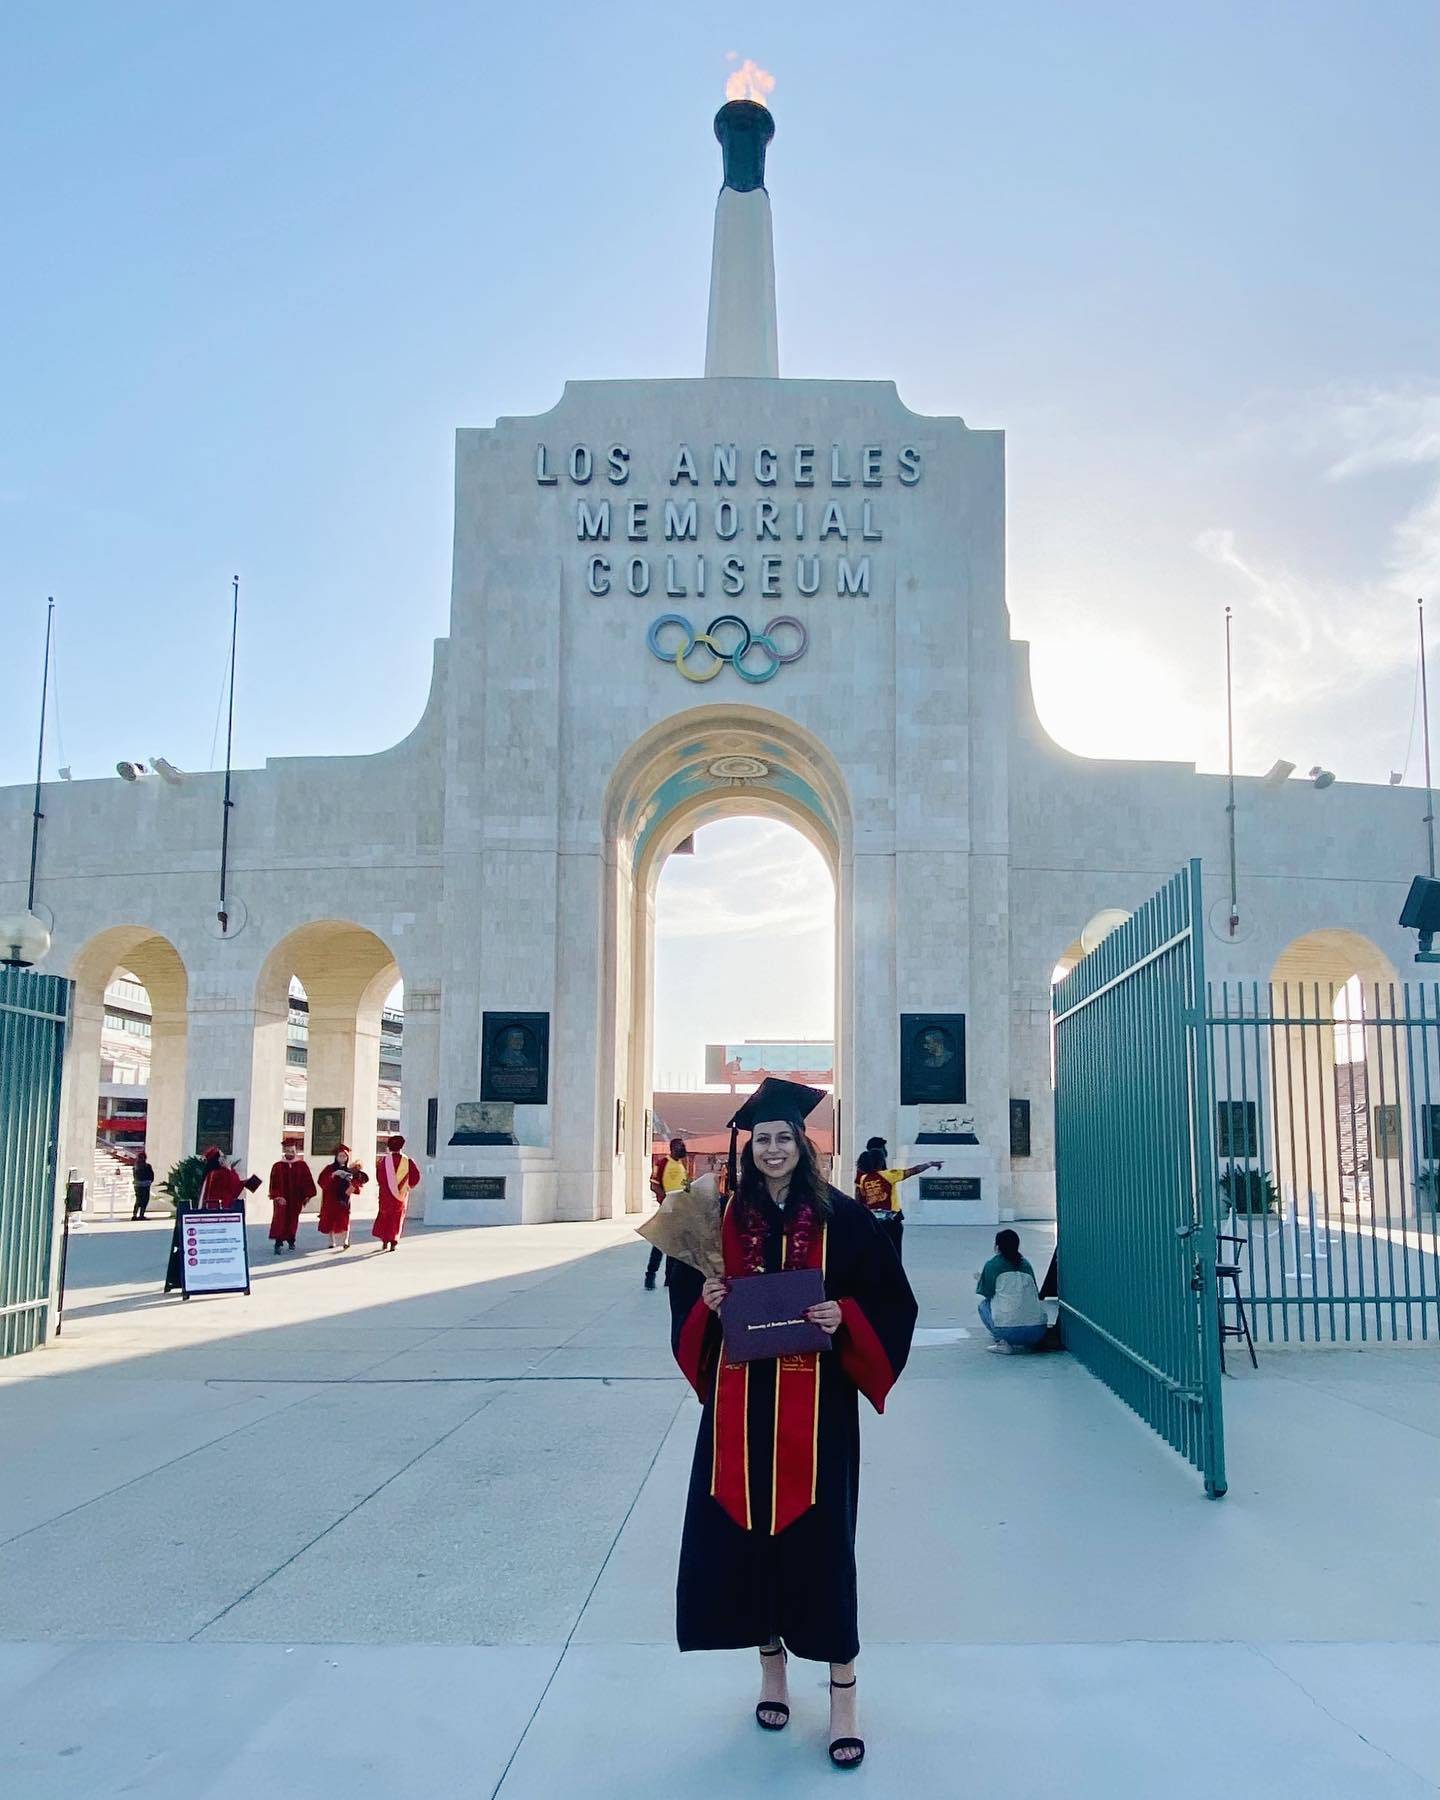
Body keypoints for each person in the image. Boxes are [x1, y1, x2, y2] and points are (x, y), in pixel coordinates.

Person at [668, 1078, 917, 1772]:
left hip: (818, 1413)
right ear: (750, 1150)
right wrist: (707, 1303)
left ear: (802, 1144)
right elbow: (686, 1299)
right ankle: (772, 1672)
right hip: (739, 1407)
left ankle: (843, 1697)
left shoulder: (843, 1216)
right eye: (763, 1140)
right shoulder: (717, 1216)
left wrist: (847, 1319)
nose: (773, 1149)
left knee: (822, 1543)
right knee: (747, 1539)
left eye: (784, 1138)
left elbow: (889, 1300)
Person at [853, 1148, 944, 1265]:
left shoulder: (863, 1179)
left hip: (874, 1222)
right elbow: (913, 1171)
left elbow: (860, 1200)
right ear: (880, 1162)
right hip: (891, 1221)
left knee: (878, 1254)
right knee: (895, 1254)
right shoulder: (889, 1175)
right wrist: (930, 1164)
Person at [976, 1228, 1048, 1353]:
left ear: (997, 1247)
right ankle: (1030, 1342)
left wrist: (980, 1279)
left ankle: (1002, 1342)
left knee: (983, 1306)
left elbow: (986, 1292)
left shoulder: (992, 1265)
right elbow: (1034, 1292)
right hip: (1038, 1330)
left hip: (1007, 1330)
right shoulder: (1026, 1264)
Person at [645, 1136, 689, 1290]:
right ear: (672, 1148)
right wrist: (665, 1200)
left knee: (674, 1245)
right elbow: (654, 1185)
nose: (682, 1149)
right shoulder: (663, 1163)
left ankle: (669, 1278)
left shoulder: (681, 1164)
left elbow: (685, 1184)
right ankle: (650, 1275)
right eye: (679, 1147)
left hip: (679, 1210)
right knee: (660, 1244)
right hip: (667, 1209)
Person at [267, 1141, 317, 1254]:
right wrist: (277, 1196)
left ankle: (291, 1241)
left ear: (296, 1151)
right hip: (282, 1199)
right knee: (279, 1220)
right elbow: (273, 1183)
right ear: (284, 1151)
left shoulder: (302, 1165)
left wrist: (307, 1195)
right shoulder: (278, 1166)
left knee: (292, 1220)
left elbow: (307, 1180)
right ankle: (278, 1243)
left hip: (295, 1199)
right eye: (288, 1151)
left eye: (292, 1151)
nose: (290, 1153)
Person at [372, 1134, 420, 1251]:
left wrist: (385, 1188)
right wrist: (407, 1186)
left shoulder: (383, 1161)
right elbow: (416, 1176)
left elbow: (379, 1178)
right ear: (401, 1147)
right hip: (400, 1195)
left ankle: (384, 1241)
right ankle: (393, 1242)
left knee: (385, 1216)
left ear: (389, 1148)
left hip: (385, 1195)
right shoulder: (408, 1161)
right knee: (396, 1217)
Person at [317, 1145, 366, 1249]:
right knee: (330, 1218)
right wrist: (334, 1174)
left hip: (344, 1199)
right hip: (330, 1197)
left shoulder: (350, 1170)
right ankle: (331, 1240)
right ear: (336, 1156)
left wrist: (352, 1182)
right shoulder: (329, 1168)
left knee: (345, 1218)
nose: (342, 1158)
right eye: (340, 1156)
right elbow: (321, 1181)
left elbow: (357, 1187)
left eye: (345, 1156)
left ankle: (345, 1240)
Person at [131, 1153, 155, 1221]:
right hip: (145, 1185)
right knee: (145, 1200)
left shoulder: (135, 1167)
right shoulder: (147, 1166)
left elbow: (135, 1176)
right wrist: (150, 1181)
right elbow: (151, 1175)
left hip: (137, 1185)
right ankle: (141, 1215)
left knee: (138, 1200)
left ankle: (134, 1215)